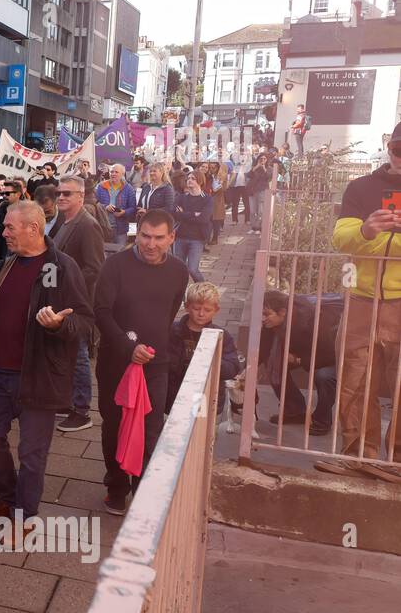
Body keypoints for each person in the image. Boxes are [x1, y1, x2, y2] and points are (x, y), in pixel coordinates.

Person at [0, 202, 94, 545]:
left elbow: (84, 323)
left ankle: (24, 516)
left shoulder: (63, 268)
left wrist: (59, 324)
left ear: (33, 229)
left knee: (32, 453)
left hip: (39, 375)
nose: (3, 232)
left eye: (10, 227)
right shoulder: (8, 264)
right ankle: (8, 500)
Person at [317, 122, 401, 476]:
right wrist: (367, 230)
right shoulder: (360, 186)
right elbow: (340, 237)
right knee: (354, 379)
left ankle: (397, 461)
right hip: (362, 300)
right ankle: (357, 454)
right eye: (398, 149)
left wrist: (382, 241)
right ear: (389, 147)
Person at [93, 209, 190, 514]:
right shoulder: (115, 265)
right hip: (115, 361)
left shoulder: (178, 271)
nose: (150, 244)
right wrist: (127, 344)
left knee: (151, 428)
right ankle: (117, 487)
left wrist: (150, 346)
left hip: (156, 363)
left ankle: (144, 489)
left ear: (171, 237)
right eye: (145, 236)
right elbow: (101, 311)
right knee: (115, 425)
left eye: (159, 238)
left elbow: (169, 311)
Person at [50, 176, 105, 433]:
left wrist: (67, 286)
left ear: (81, 197)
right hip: (63, 300)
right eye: (60, 193)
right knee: (66, 354)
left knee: (79, 355)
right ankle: (69, 401)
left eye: (67, 194)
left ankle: (82, 410)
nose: (61, 197)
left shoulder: (87, 225)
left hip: (77, 303)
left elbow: (94, 268)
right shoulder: (65, 221)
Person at [259, 289, 340, 436]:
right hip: (303, 352)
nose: (262, 318)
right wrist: (245, 369)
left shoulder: (313, 320)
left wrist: (299, 359)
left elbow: (331, 354)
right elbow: (263, 348)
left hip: (330, 354)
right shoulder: (270, 323)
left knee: (324, 377)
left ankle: (322, 420)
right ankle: (295, 410)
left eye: (267, 314)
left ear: (282, 312)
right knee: (273, 363)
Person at [166, 282, 242, 412]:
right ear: (187, 307)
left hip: (205, 396)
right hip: (173, 394)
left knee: (200, 429)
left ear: (216, 310)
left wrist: (211, 360)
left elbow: (233, 367)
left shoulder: (222, 336)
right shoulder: (171, 331)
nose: (201, 314)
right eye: (196, 308)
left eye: (207, 310)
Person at [172, 173, 211, 282]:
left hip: (197, 239)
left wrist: (184, 214)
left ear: (200, 181)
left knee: (192, 269)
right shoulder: (182, 197)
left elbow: (204, 218)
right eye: (188, 178)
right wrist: (194, 214)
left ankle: (203, 289)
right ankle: (180, 296)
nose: (189, 180)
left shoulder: (207, 199)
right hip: (180, 237)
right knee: (178, 270)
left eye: (193, 178)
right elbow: (174, 214)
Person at [95, 164, 137, 246]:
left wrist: (124, 212)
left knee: (120, 254)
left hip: (121, 228)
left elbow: (133, 208)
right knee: (105, 254)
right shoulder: (100, 186)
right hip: (104, 227)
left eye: (116, 172)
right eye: (111, 172)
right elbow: (95, 203)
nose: (113, 174)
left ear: (122, 174)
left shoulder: (129, 189)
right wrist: (105, 207)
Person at [247, 153, 272, 236]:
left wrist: (264, 167)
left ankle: (258, 228)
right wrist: (257, 166)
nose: (263, 160)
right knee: (252, 211)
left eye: (265, 159)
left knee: (260, 211)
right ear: (258, 159)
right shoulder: (254, 168)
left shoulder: (269, 168)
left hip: (262, 191)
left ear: (267, 160)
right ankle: (253, 227)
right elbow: (249, 175)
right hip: (252, 191)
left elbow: (268, 177)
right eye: (261, 158)